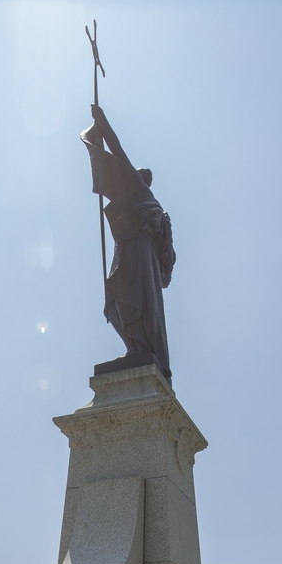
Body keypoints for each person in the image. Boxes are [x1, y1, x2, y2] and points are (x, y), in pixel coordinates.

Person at [81, 104, 176, 376]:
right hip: (127, 246)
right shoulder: (140, 201)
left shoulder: (141, 191)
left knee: (128, 294)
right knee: (117, 297)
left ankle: (139, 348)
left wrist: (102, 121)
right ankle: (135, 347)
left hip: (137, 250)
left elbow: (117, 150)